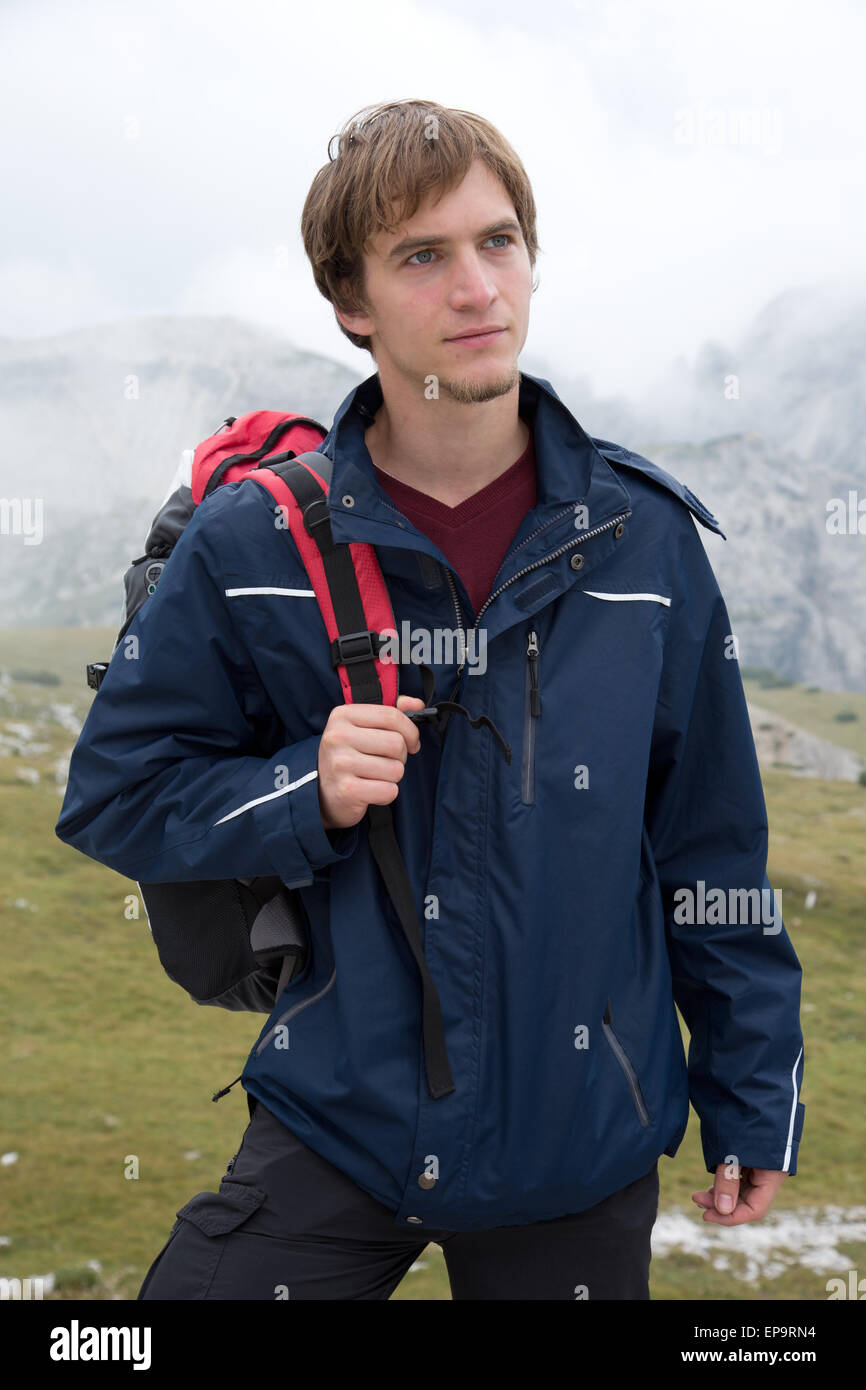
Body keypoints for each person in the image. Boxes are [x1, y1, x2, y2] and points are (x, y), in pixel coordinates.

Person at [55, 98, 805, 1300]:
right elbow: (115, 794)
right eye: (422, 255)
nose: (475, 287)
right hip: (342, 1121)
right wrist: (307, 785)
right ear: (351, 305)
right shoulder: (256, 539)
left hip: (580, 1142)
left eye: (497, 242)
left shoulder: (642, 540)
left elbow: (709, 846)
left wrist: (752, 1093)